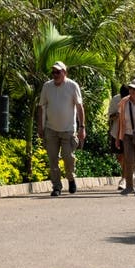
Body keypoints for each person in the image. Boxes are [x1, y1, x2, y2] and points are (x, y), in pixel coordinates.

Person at [37, 61, 86, 197]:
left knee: (68, 157)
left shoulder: (72, 86)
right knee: (53, 160)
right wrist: (40, 127)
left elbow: (80, 107)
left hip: (68, 130)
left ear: (65, 72)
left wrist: (82, 127)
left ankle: (70, 178)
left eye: (58, 72)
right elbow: (41, 107)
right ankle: (56, 187)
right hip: (51, 129)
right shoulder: (47, 86)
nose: (55, 74)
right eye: (53, 72)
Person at [108, 84, 130, 190]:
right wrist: (117, 114)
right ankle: (127, 174)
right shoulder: (115, 99)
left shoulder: (134, 100)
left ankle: (124, 178)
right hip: (116, 132)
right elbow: (110, 116)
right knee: (120, 157)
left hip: (129, 132)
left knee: (127, 156)